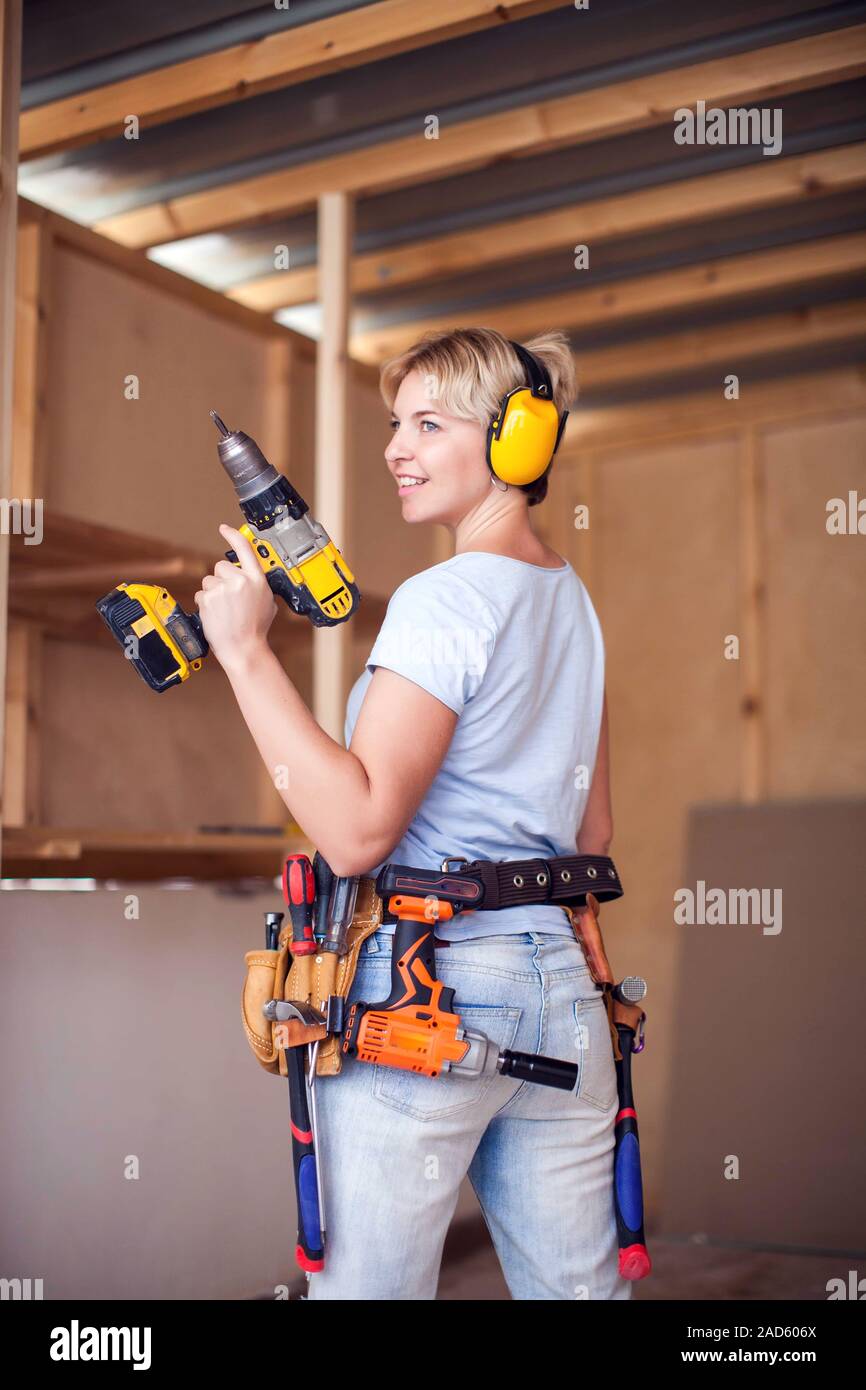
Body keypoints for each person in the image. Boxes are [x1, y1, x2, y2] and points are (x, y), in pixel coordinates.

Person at [196, 326, 628, 1300]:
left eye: (429, 423)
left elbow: (353, 832)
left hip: (427, 993)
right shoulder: (571, 604)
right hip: (562, 992)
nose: (396, 447)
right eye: (396, 422)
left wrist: (245, 654)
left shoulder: (443, 599)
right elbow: (588, 837)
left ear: (517, 443)